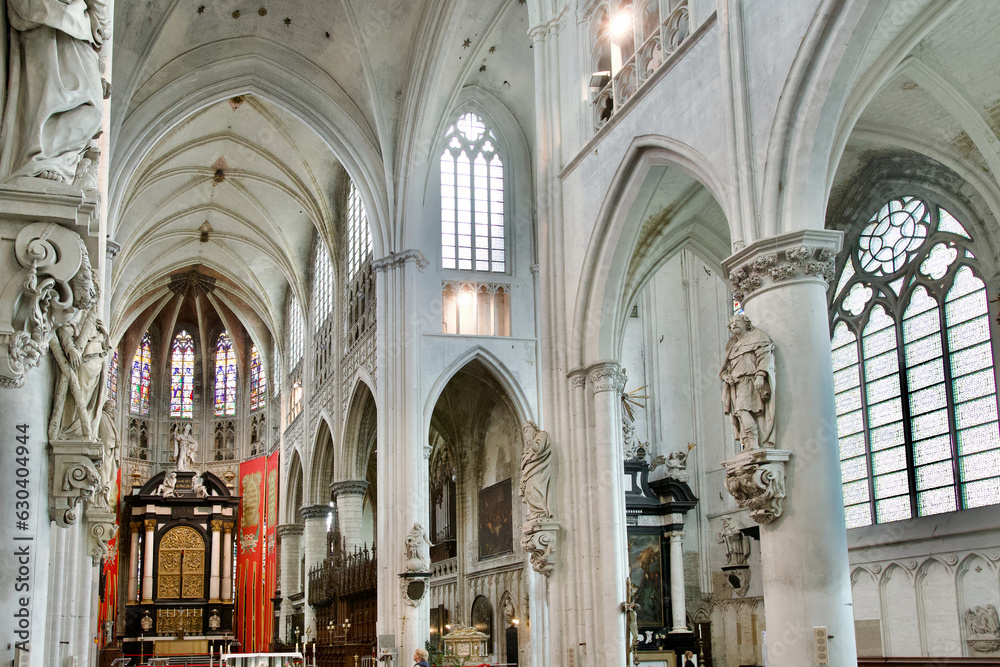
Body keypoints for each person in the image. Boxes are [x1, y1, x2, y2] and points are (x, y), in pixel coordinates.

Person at [720, 313, 776, 450]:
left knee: (742, 410)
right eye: (731, 324)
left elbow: (764, 357)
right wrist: (726, 376)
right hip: (736, 385)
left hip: (750, 380)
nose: (734, 325)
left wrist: (760, 375)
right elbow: (727, 367)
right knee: (739, 414)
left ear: (746, 322)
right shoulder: (732, 346)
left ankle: (754, 442)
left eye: (737, 321)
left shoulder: (758, 336)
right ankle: (748, 443)